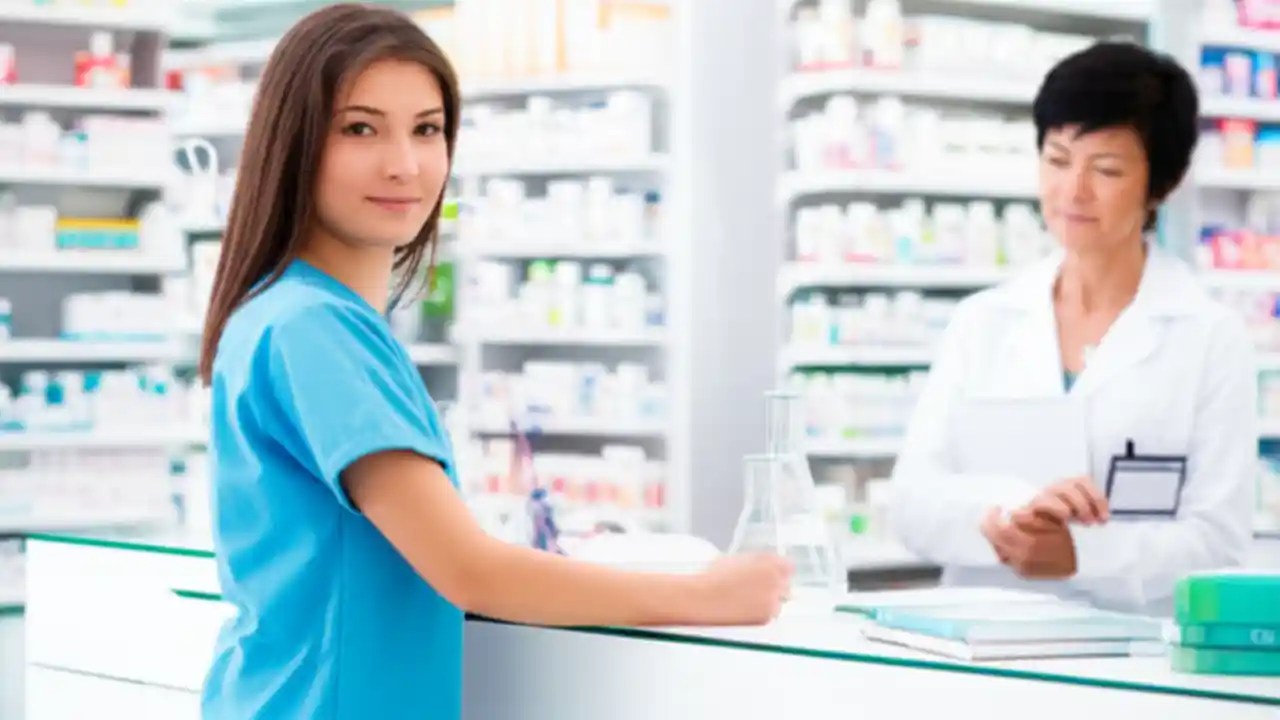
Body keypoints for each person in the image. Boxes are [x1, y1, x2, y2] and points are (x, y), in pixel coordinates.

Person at [196, 6, 790, 719]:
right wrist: (708, 595)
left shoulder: (284, 311)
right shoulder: (314, 328)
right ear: (294, 143)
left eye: (427, 129)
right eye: (360, 128)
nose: (404, 164)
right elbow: (469, 570)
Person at [889, 42, 1257, 614]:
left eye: (1105, 169)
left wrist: (1084, 555)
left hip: (1132, 669)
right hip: (978, 651)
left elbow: (1217, 542)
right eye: (1058, 160)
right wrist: (1006, 517)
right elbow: (912, 502)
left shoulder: (1209, 338)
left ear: (1161, 183)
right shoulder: (983, 321)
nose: (1073, 192)